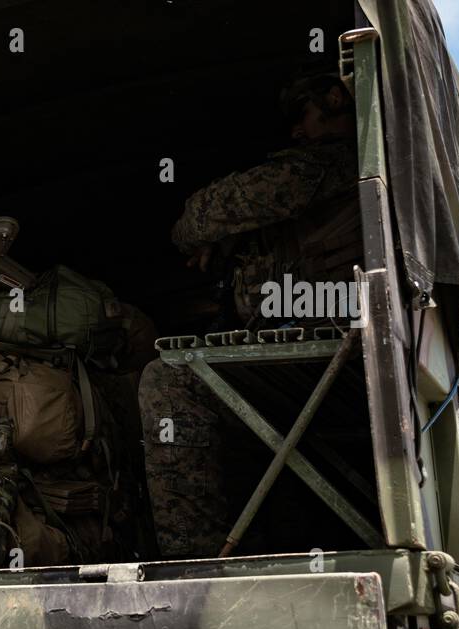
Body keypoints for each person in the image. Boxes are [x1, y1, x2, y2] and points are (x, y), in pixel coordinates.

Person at [138, 74, 362, 559]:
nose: (297, 133)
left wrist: (210, 233)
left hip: (333, 355)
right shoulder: (335, 184)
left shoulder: (337, 162)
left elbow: (203, 214)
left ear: (336, 98)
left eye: (300, 115)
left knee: (168, 380)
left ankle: (193, 566)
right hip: (322, 362)